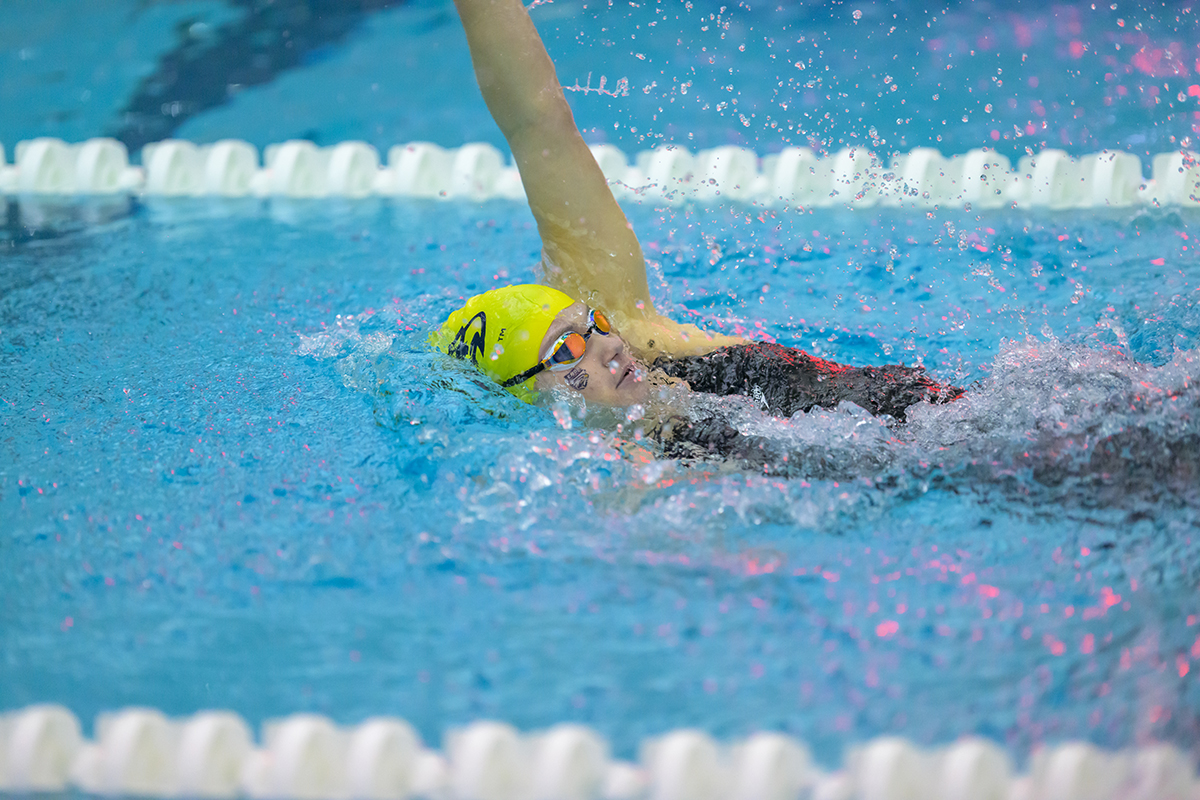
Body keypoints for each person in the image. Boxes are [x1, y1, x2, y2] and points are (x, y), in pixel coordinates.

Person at [434, 0, 961, 473]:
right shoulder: (627, 475)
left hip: (935, 414)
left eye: (593, 325)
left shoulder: (638, 335)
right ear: (523, 395)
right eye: (569, 348)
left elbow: (538, 121)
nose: (610, 344)